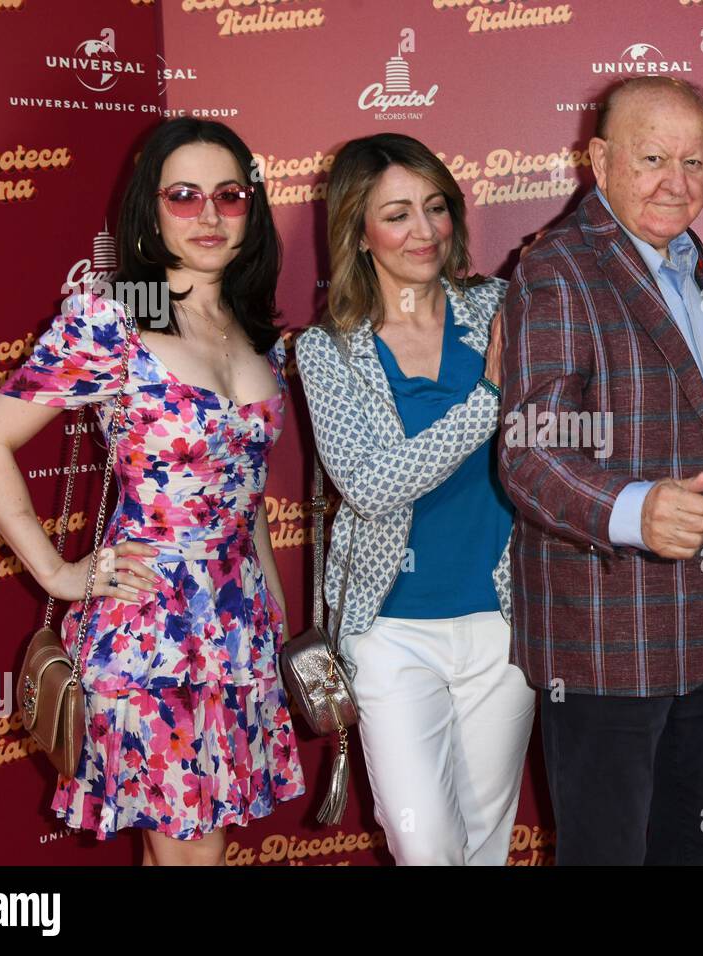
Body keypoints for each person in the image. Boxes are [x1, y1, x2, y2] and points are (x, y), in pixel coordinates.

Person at [0, 118, 304, 866]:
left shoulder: (250, 326)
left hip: (238, 622)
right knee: (190, 855)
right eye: (184, 196)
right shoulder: (121, 315)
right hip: (153, 626)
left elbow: (240, 488)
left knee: (184, 850)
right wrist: (57, 573)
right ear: (150, 209)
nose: (208, 216)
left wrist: (270, 592)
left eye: (229, 195)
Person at [498, 76, 703, 866]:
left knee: (702, 849)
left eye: (694, 161)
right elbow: (529, 449)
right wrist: (632, 508)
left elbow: (700, 387)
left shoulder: (685, 253)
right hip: (608, 631)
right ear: (598, 160)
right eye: (651, 159)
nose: (677, 183)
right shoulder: (557, 271)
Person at [295, 133, 534, 866]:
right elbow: (368, 485)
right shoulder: (327, 348)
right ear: (357, 233)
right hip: (390, 631)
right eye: (396, 214)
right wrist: (488, 399)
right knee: (425, 844)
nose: (424, 231)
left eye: (435, 208)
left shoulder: (499, 307)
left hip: (506, 619)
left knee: (486, 840)